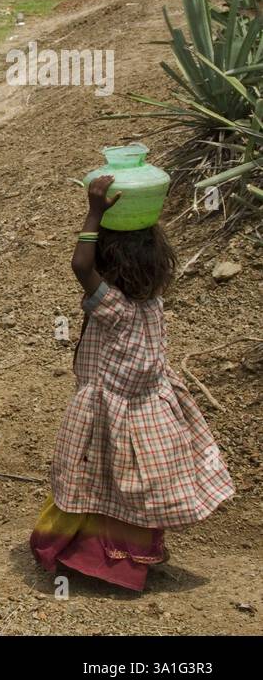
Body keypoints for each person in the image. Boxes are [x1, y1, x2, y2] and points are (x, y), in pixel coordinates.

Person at [29, 175, 234, 591]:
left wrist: (96, 212)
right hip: (150, 413)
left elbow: (80, 264)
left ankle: (97, 561)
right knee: (131, 490)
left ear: (110, 269)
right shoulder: (153, 303)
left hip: (109, 415)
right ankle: (127, 560)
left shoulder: (115, 308)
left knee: (96, 484)